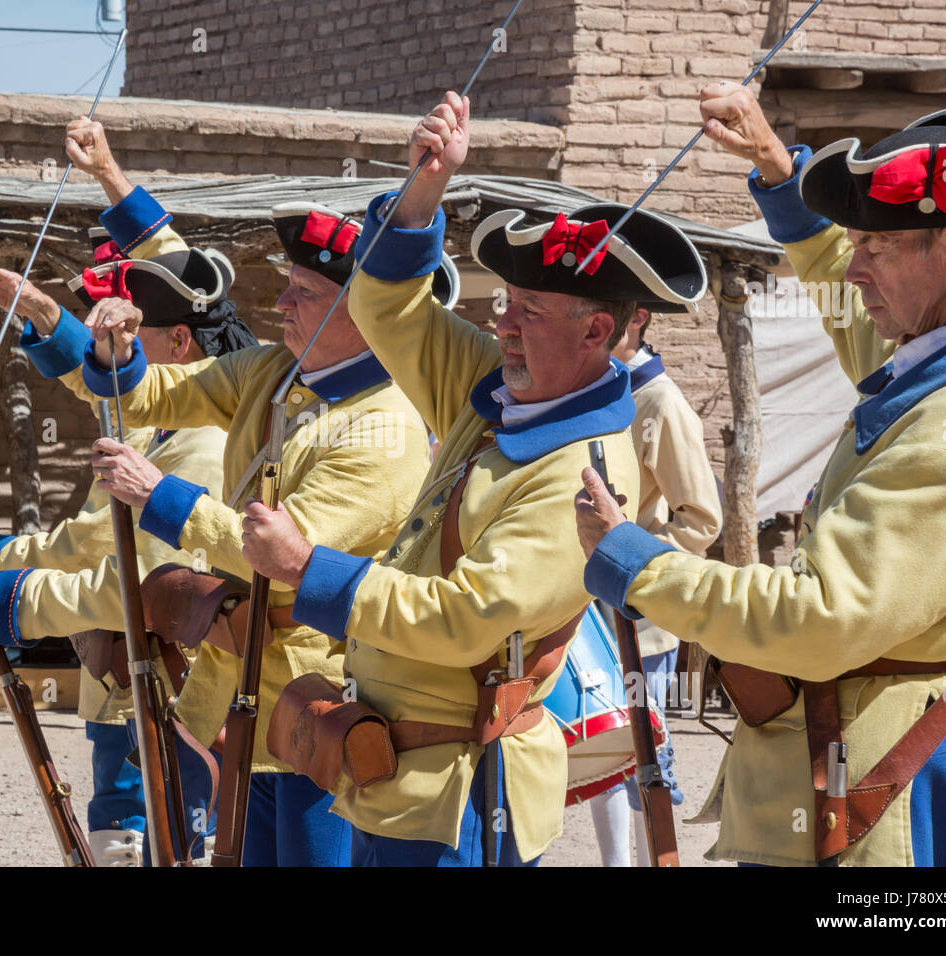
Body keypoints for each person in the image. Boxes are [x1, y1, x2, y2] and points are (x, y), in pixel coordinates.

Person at [238, 91, 707, 866]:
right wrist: (427, 189)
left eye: (529, 309)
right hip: (397, 781)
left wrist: (304, 569)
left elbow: (466, 620)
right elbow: (388, 308)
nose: (503, 323)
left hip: (461, 796)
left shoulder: (580, 471)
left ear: (596, 331)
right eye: (507, 303)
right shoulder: (499, 385)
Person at [575, 85, 946, 866]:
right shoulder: (936, 360)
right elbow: (842, 294)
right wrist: (779, 171)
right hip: (849, 775)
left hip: (880, 798)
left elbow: (821, 618)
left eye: (877, 244)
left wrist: (639, 563)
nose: (857, 267)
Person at [0, 116, 437, 866]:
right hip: (248, 695)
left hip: (321, 698)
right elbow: (144, 393)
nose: (283, 303)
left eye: (302, 291)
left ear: (360, 313)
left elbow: (280, 550)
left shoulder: (384, 427)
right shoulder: (276, 374)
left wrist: (157, 495)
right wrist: (67, 330)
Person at [0, 227, 243, 865]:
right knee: (121, 816)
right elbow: (96, 386)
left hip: (173, 673)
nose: (122, 350)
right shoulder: (159, 422)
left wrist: (4, 580)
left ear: (179, 341)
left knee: (181, 832)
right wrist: (37, 309)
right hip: (124, 662)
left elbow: (142, 582)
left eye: (137, 336)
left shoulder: (202, 440)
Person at [590, 307, 723, 866]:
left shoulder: (662, 402)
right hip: (590, 609)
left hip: (639, 618)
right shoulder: (602, 389)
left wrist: (632, 563)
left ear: (637, 317)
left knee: (649, 755)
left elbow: (700, 519)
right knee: (602, 753)